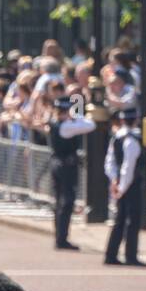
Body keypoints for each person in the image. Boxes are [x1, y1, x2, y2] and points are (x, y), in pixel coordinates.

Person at [47, 95, 95, 249]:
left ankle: (60, 237)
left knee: (59, 201)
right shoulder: (66, 126)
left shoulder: (55, 123)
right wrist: (78, 115)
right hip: (66, 166)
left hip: (56, 163)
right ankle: (62, 238)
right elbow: (90, 125)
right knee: (66, 202)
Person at [104, 104, 145, 266]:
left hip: (120, 184)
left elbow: (110, 162)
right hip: (130, 185)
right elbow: (128, 168)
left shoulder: (116, 138)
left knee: (119, 220)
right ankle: (130, 255)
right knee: (131, 221)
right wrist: (121, 187)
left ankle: (111, 254)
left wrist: (114, 180)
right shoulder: (132, 141)